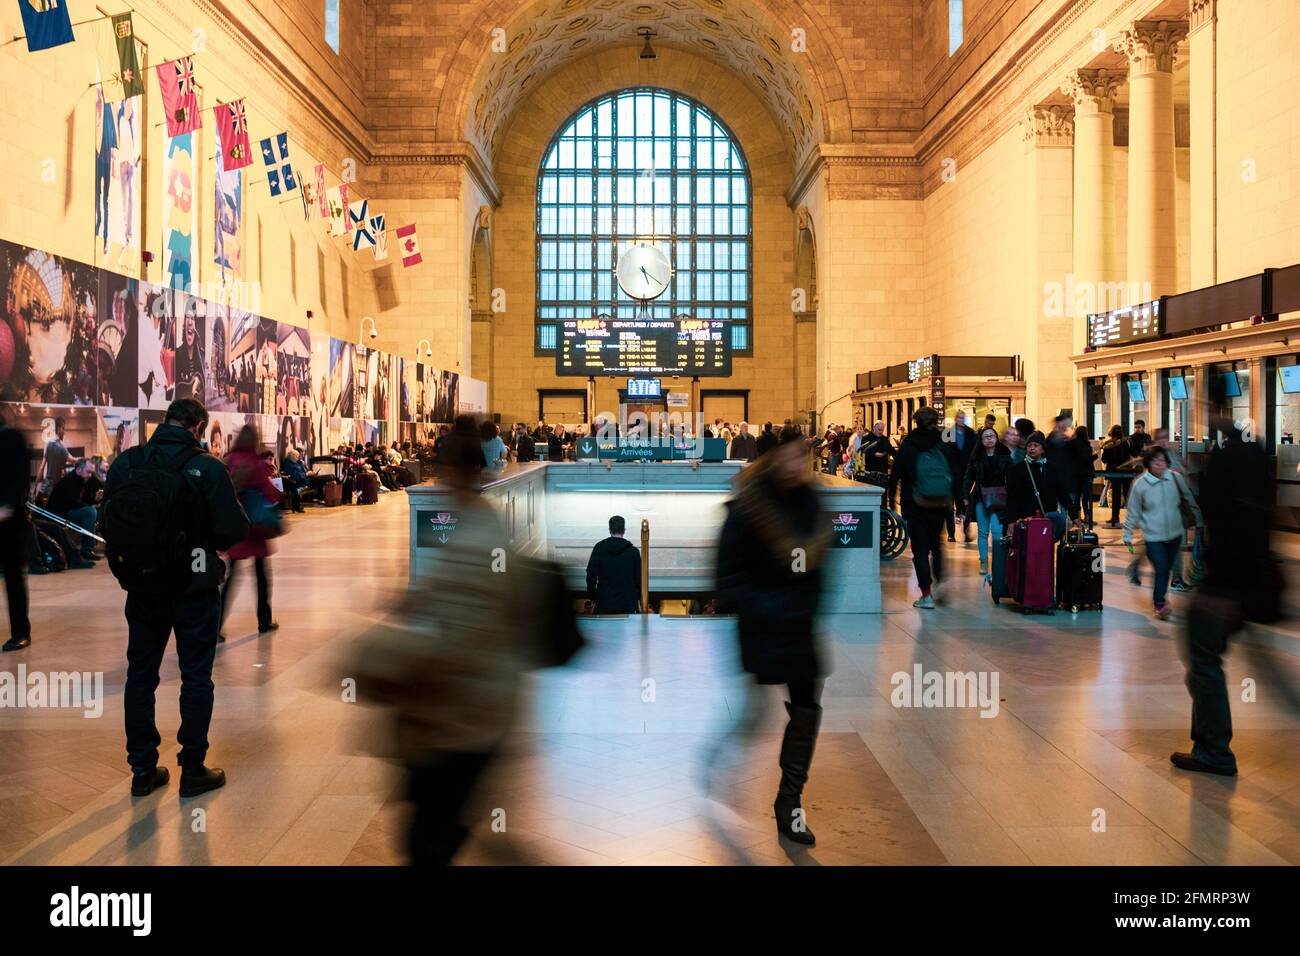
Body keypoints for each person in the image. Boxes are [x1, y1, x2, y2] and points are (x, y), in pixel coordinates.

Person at [354, 418, 537, 864]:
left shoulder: (476, 538)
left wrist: (383, 664)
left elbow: (465, 631)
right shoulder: (483, 524)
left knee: (429, 840)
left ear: (457, 473)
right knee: (446, 829)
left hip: (466, 714)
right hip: (478, 710)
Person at [103, 398, 249, 797]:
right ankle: (193, 768)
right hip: (193, 587)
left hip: (143, 587)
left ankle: (143, 770)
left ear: (165, 422)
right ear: (199, 426)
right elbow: (233, 531)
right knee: (196, 677)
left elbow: (108, 520)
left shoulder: (127, 463)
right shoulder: (206, 468)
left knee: (140, 676)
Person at [713, 427, 829, 846]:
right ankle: (721, 764)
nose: (799, 464)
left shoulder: (812, 502)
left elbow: (821, 570)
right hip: (763, 626)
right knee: (754, 715)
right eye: (792, 456)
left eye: (804, 456)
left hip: (798, 627)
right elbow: (727, 576)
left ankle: (790, 802)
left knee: (806, 709)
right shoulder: (747, 506)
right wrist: (766, 607)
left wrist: (806, 609)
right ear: (773, 459)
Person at [1172, 413, 1277, 777]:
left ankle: (1213, 750)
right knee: (1206, 663)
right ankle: (1208, 745)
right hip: (1247, 581)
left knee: (1203, 664)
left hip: (1226, 584)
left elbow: (1223, 522)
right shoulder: (1257, 457)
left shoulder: (1227, 461)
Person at [220, 425, 286, 638]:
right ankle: (264, 622)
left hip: (236, 526)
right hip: (256, 528)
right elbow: (271, 493)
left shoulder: (228, 461)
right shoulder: (256, 464)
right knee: (262, 576)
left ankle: (215, 626)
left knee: (230, 578)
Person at [1123, 445, 1202, 620]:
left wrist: (1199, 520)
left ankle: (1160, 601)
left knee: (1166, 569)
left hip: (1175, 533)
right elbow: (1133, 511)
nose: (1160, 464)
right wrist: (1127, 533)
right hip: (1153, 536)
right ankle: (1160, 603)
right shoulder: (1140, 484)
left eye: (1163, 460)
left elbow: (1188, 499)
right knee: (1162, 569)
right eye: (1155, 460)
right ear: (1148, 463)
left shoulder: (1175, 478)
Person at [889, 407, 952, 609]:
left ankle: (926, 595)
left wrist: (891, 500)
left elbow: (896, 472)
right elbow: (955, 470)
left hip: (914, 503)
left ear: (916, 422)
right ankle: (941, 582)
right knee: (937, 545)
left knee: (920, 551)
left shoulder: (909, 443)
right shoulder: (943, 441)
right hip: (939, 502)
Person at [961, 426, 1011, 576]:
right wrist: (964, 496)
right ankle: (983, 561)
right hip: (980, 498)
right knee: (983, 532)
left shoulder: (1004, 456)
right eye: (986, 437)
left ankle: (997, 562)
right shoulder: (976, 457)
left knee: (996, 532)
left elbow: (1012, 477)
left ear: (996, 438)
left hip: (1000, 499)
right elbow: (968, 477)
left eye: (991, 436)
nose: (989, 438)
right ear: (981, 441)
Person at [0, 417, 31, 652]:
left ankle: (20, 631)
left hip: (9, 520)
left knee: (13, 577)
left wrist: (7, 506)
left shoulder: (11, 438)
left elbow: (20, 480)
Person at [1005, 431, 1071, 539]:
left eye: (1036, 445)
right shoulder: (1018, 469)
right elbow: (1012, 497)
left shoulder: (1051, 468)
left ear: (1043, 449)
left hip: (1047, 519)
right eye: (1029, 446)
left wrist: (1073, 514)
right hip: (1025, 519)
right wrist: (1011, 521)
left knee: (1045, 550)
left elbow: (1061, 492)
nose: (1032, 448)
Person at [46, 458, 99, 568]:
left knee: (92, 510)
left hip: (69, 511)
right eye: (88, 472)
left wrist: (96, 500)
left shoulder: (82, 480)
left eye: (91, 472)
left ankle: (88, 549)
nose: (90, 475)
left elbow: (83, 501)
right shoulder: (69, 481)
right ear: (79, 469)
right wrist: (90, 505)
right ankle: (87, 549)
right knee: (90, 512)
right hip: (60, 514)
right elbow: (73, 502)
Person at [585, 515, 641, 614]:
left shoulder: (599, 548)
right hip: (627, 604)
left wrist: (593, 596)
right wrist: (637, 597)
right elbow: (639, 579)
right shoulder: (633, 551)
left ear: (609, 530)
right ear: (624, 530)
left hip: (604, 602)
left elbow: (591, 574)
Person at [946, 410, 977, 542]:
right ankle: (951, 533)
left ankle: (965, 528)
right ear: (955, 419)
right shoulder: (947, 433)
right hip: (951, 474)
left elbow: (975, 452)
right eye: (959, 417)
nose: (961, 420)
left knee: (964, 504)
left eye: (963, 418)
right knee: (949, 505)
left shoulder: (971, 433)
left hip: (965, 474)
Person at [1100, 424, 1133, 527]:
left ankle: (1115, 518)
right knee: (1128, 495)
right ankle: (1132, 518)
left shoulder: (1109, 444)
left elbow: (1104, 459)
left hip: (1115, 472)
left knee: (1116, 496)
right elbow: (1130, 455)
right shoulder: (1126, 442)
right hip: (1127, 471)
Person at [1067, 425, 1098, 528]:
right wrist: (1096, 456)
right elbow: (1086, 460)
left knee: (1076, 498)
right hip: (1085, 474)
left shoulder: (1071, 443)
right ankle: (1087, 517)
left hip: (1074, 475)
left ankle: (1076, 518)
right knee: (1086, 497)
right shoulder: (1085, 445)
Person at [34, 417, 69, 498]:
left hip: (45, 489)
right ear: (60, 429)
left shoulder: (49, 445)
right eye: (64, 429)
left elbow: (42, 468)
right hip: (53, 491)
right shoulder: (61, 448)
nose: (64, 432)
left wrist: (36, 486)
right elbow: (72, 461)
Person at [281, 449, 309, 513]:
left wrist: (305, 474)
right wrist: (305, 475)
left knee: (297, 488)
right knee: (296, 488)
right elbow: (296, 475)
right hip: (295, 481)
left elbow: (300, 473)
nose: (297, 458)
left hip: (299, 480)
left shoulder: (295, 463)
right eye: (296, 456)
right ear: (292, 456)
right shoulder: (289, 463)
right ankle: (296, 507)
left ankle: (296, 507)